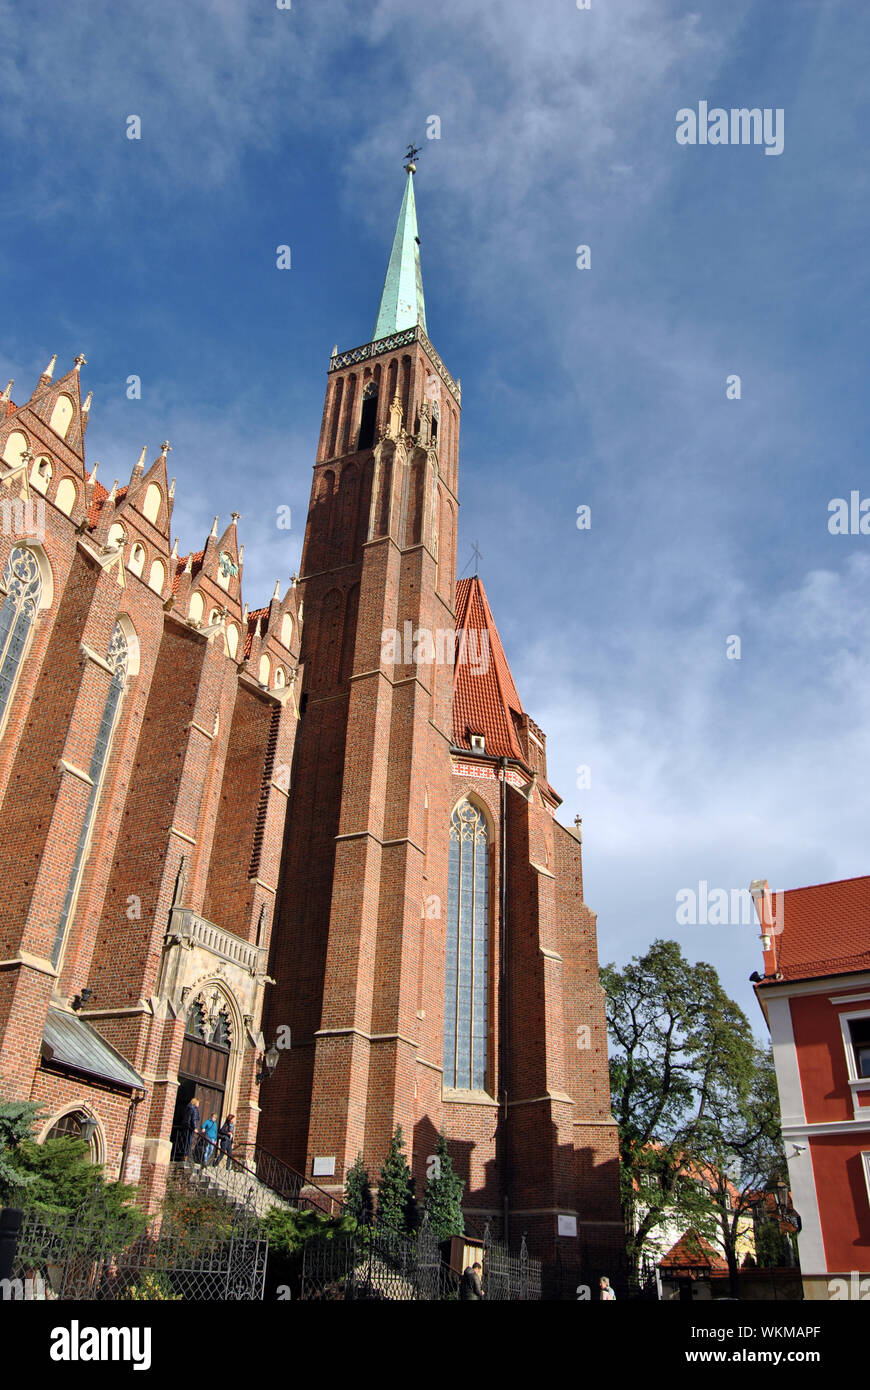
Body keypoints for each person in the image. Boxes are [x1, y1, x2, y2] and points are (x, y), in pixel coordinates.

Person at [181, 1096, 200, 1160]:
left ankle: (184, 1155)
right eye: (198, 1103)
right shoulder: (194, 1109)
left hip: (186, 1126)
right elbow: (193, 1119)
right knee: (189, 1141)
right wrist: (195, 1127)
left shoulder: (188, 1107)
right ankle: (186, 1155)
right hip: (190, 1128)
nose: (198, 1105)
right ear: (196, 1103)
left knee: (185, 1141)